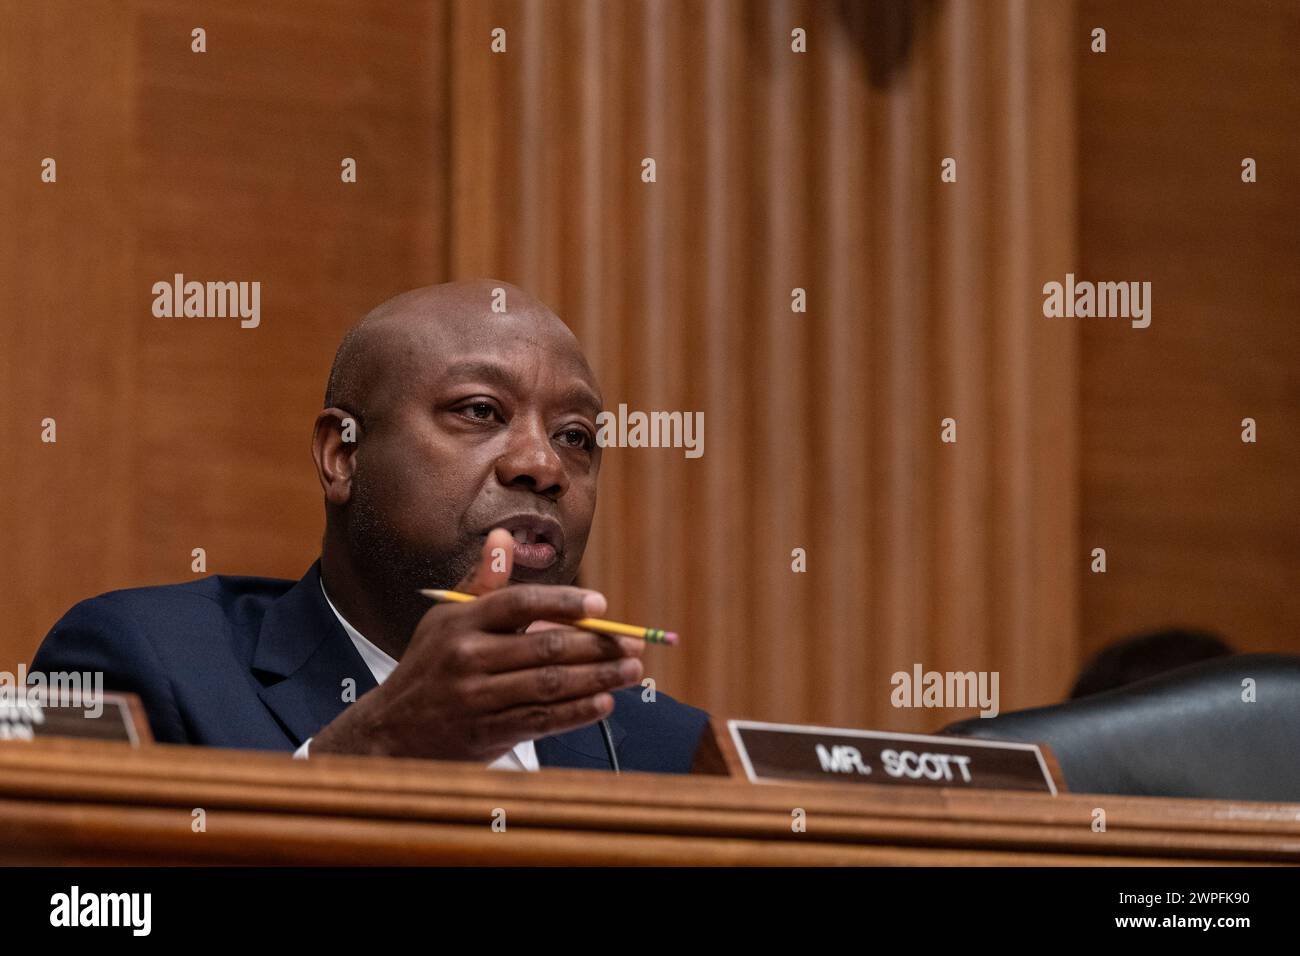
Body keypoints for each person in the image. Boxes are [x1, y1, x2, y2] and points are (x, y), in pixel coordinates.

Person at [33, 280, 709, 773]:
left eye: (576, 436)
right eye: (479, 411)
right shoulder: (146, 663)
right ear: (343, 453)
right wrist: (371, 749)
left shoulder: (668, 750)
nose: (543, 465)